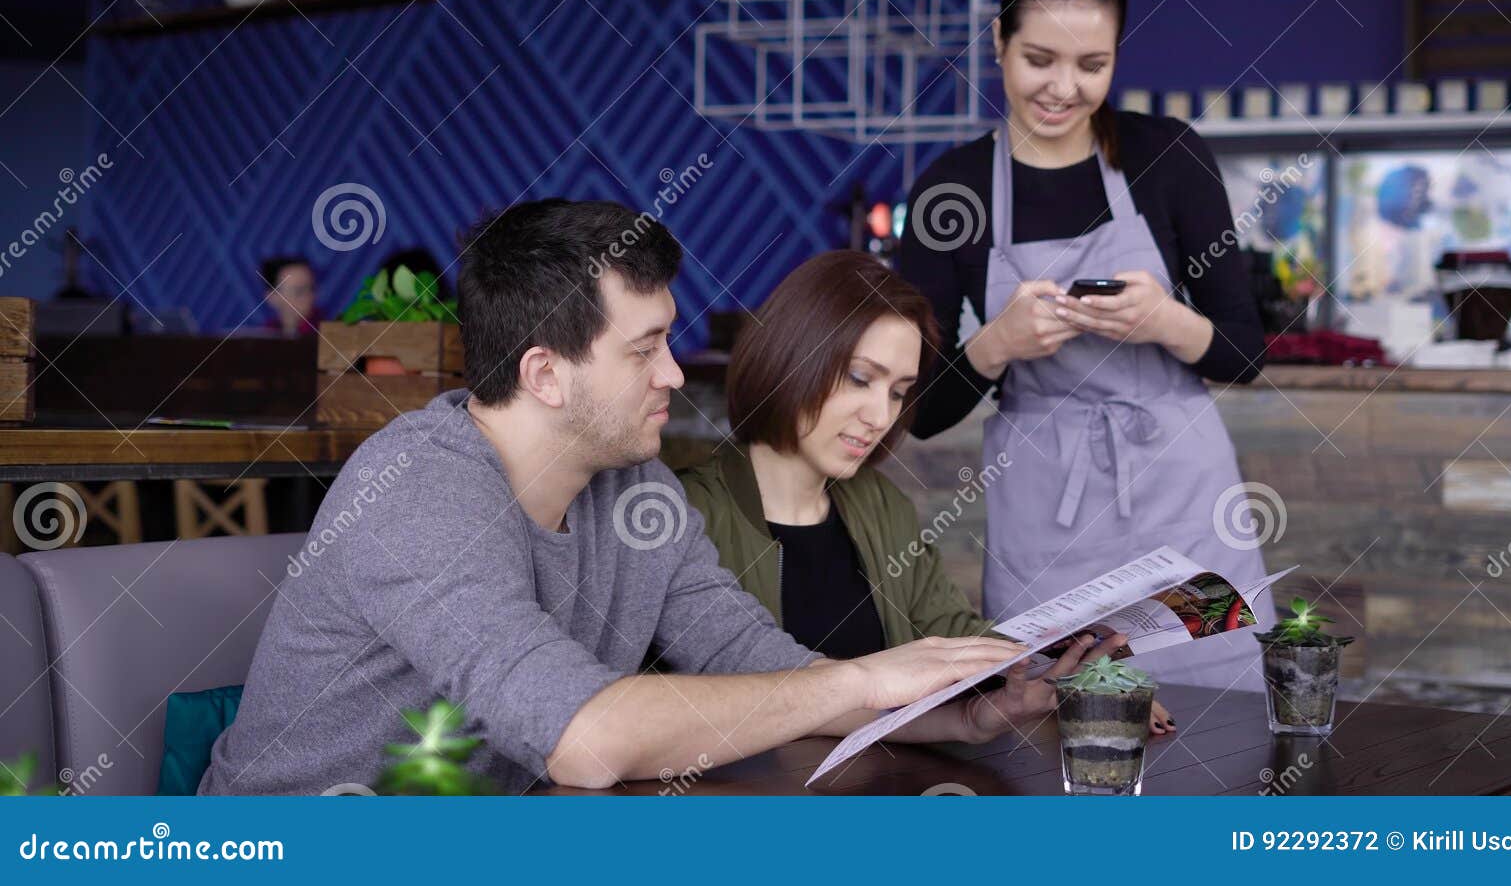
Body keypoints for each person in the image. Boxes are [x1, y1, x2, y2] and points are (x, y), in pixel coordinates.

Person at [201, 199, 1104, 795]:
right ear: (545, 374)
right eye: (644, 349)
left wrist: (965, 715)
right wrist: (865, 676)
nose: (673, 373)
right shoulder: (419, 490)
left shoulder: (637, 493)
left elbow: (761, 663)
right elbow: (585, 741)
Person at [898, 0, 1274, 692]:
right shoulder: (952, 189)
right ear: (998, 42)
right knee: (1048, 705)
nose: (1064, 88)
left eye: (1091, 65)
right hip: (1044, 509)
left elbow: (1245, 352)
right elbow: (920, 413)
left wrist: (1164, 320)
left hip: (1185, 497)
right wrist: (996, 345)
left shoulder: (1168, 157)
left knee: (1218, 705)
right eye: (1039, 59)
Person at [679, 250, 1175, 734]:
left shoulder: (880, 504)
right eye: (860, 379)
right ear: (791, 356)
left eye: (898, 392)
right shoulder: (688, 515)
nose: (880, 416)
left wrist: (1075, 668)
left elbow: (948, 629)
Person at [258, 256, 319, 336]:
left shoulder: (328, 335)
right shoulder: (265, 335)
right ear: (272, 297)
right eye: (299, 291)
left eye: (311, 289)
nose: (310, 297)